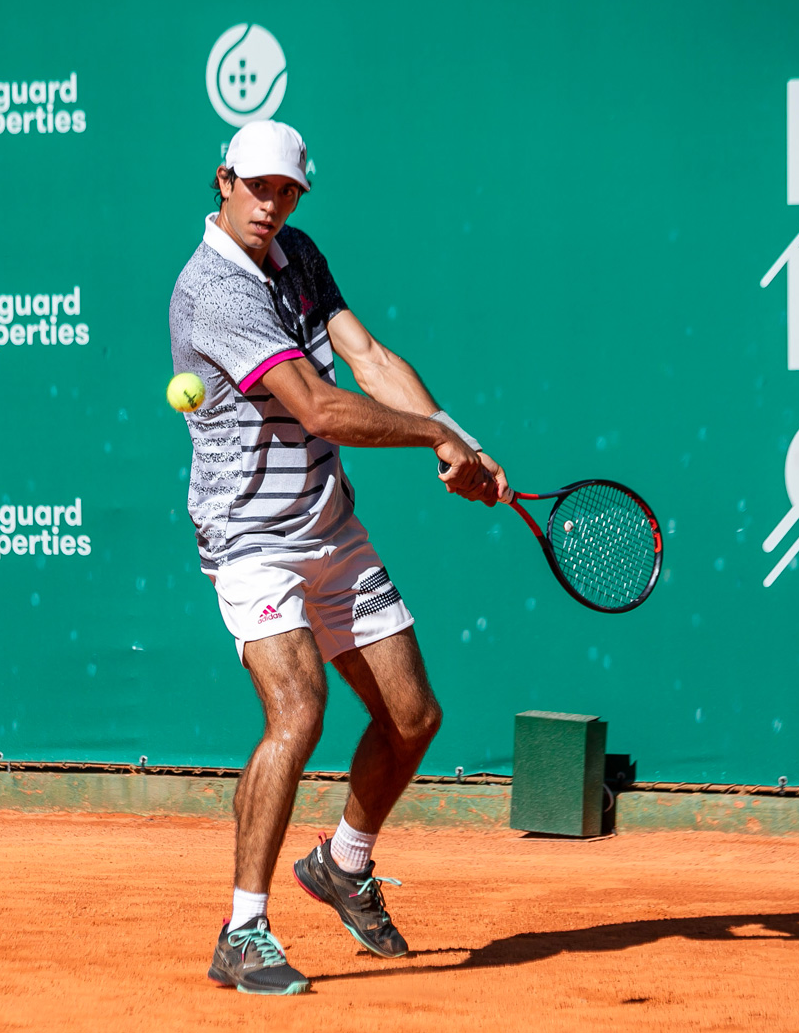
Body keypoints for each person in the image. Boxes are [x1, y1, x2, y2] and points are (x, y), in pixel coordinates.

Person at [169, 119, 509, 995]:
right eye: (257, 188)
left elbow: (365, 356)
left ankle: (343, 863)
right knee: (299, 712)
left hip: (328, 525)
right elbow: (321, 407)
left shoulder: (300, 256)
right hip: (249, 536)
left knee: (413, 717)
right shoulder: (215, 292)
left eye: (286, 191)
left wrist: (461, 443)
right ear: (223, 180)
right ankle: (243, 930)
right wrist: (430, 433)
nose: (271, 205)